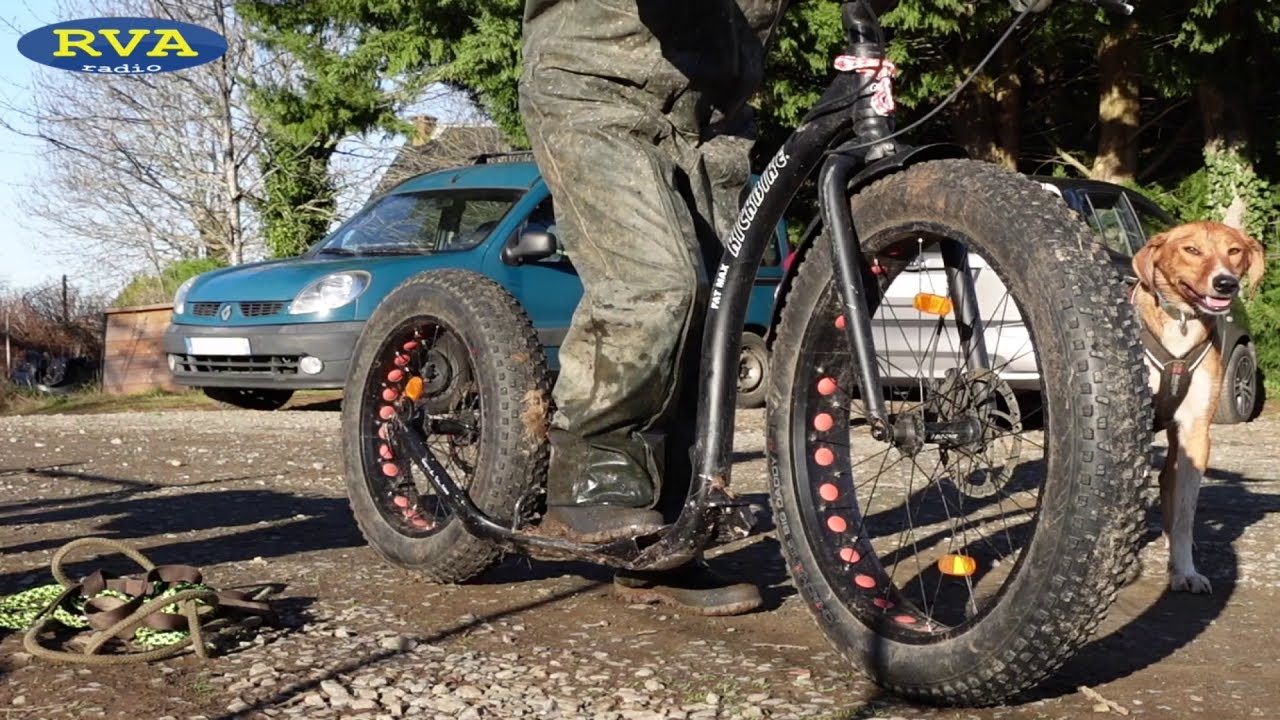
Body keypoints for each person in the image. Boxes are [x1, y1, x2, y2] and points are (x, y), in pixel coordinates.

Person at [518, 0, 1052, 617]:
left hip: (711, 119)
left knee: (719, 312)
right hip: (591, 86)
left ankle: (667, 539)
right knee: (659, 285)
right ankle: (591, 473)